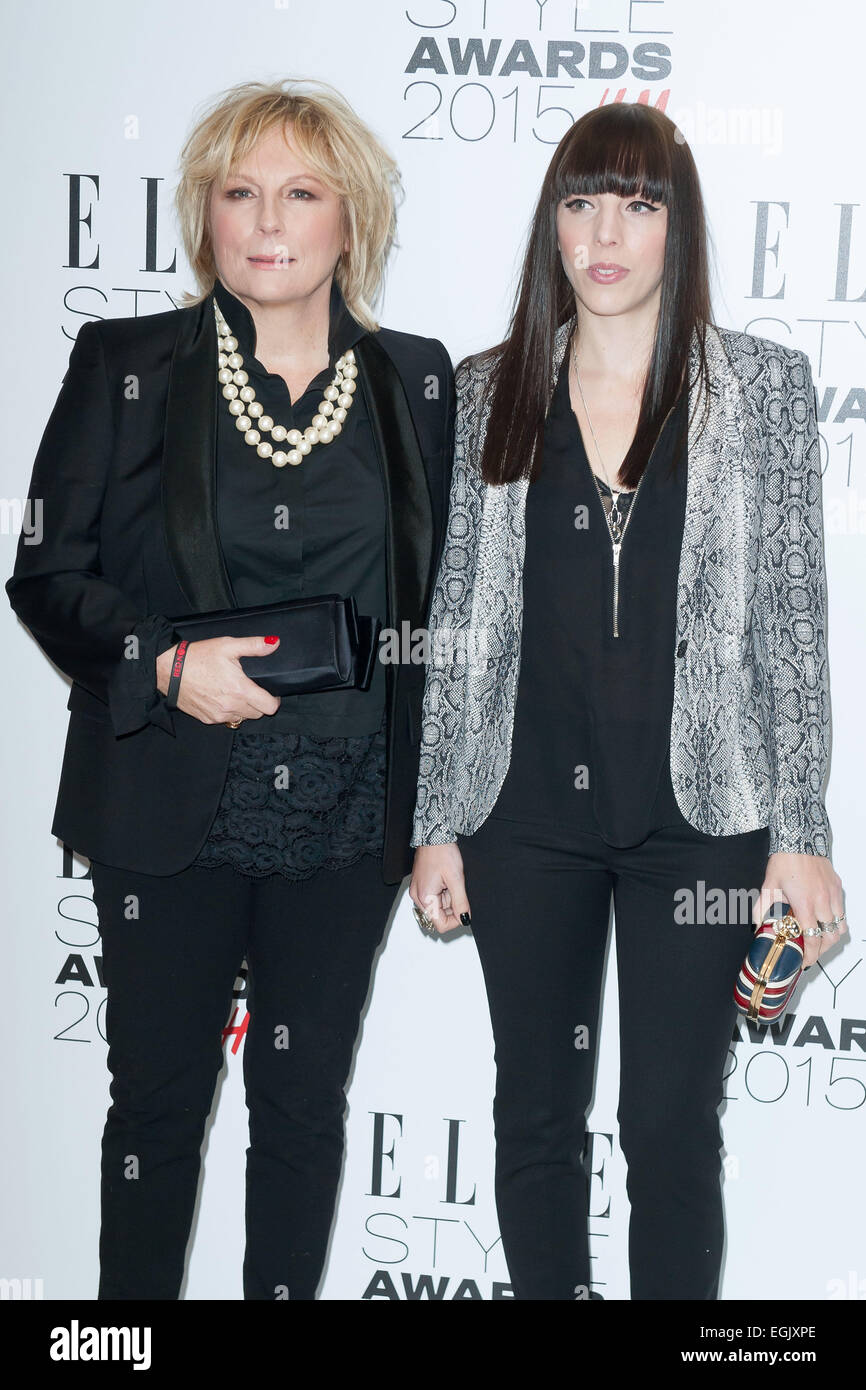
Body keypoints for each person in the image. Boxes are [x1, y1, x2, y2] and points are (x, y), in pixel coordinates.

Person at [6, 78, 455, 1300]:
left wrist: (442, 813)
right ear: (205, 215)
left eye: (300, 192)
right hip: (171, 805)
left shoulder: (418, 382)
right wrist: (161, 661)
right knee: (153, 1111)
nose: (267, 219)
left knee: (303, 1111)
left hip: (349, 812)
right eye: (239, 192)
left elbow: (450, 614)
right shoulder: (127, 362)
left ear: (348, 219)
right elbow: (47, 571)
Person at [408, 102, 846, 1301]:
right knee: (534, 1116)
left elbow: (793, 625)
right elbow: (453, 622)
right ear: (551, 219)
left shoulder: (760, 387)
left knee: (666, 1129)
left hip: (699, 820)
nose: (605, 232)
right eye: (581, 201)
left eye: (638, 205)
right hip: (522, 814)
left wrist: (800, 834)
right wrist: (437, 816)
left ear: (677, 226)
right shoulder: (489, 387)